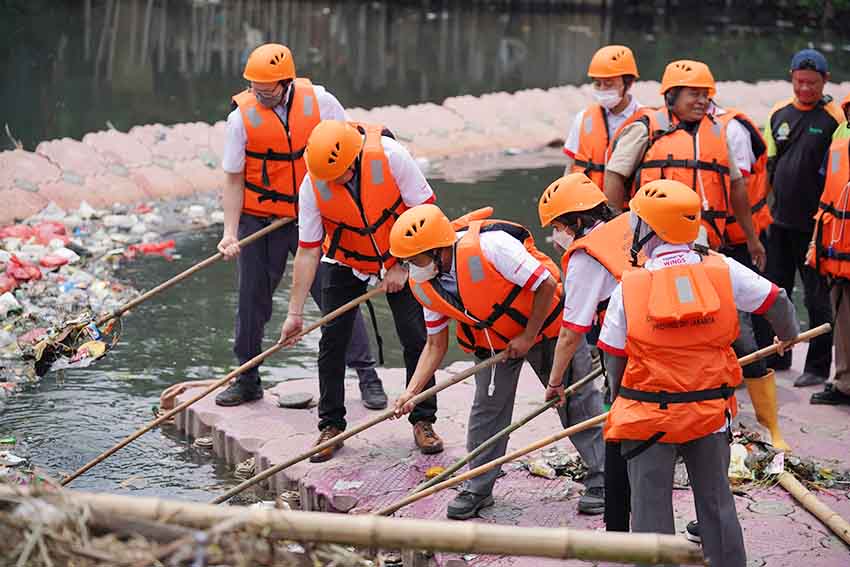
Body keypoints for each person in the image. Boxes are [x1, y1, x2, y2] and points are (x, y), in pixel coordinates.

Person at [599, 179, 799, 567]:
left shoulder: (631, 286)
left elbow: (613, 357)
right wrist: (787, 337)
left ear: (651, 229)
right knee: (716, 502)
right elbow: (778, 300)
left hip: (648, 417)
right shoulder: (722, 268)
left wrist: (617, 398)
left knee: (650, 509)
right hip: (709, 413)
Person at [389, 203, 605, 520]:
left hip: (543, 327)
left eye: (416, 259)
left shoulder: (492, 247)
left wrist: (529, 336)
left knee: (574, 399)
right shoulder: (424, 283)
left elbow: (545, 283)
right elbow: (435, 344)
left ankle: (603, 478)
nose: (412, 267)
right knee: (486, 411)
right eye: (406, 261)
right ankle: (478, 487)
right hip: (494, 342)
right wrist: (412, 392)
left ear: (438, 249)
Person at [217, 43, 386, 409]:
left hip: (313, 213)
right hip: (260, 218)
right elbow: (233, 180)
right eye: (254, 89)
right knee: (251, 302)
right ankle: (247, 378)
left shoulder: (322, 102)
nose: (259, 96)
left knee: (335, 294)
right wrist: (230, 233)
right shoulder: (240, 118)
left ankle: (367, 374)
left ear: (286, 82)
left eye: (267, 90)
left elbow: (346, 150)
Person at [279, 120, 443, 462]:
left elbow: (427, 213)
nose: (331, 183)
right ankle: (331, 426)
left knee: (415, 336)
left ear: (353, 159)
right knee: (332, 340)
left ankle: (423, 419)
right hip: (345, 258)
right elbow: (308, 250)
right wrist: (294, 314)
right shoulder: (313, 183)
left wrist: (400, 263)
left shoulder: (391, 157)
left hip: (402, 253)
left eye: (337, 176)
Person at [537, 173, 634, 531]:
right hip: (659, 329)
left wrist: (555, 381)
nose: (557, 236)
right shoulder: (629, 225)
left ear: (577, 222)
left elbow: (570, 332)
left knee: (622, 413)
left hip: (626, 341)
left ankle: (614, 491)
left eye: (559, 227)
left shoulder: (583, 260)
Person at [603, 60, 766, 271]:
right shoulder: (645, 129)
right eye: (694, 94)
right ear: (671, 96)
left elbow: (736, 186)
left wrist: (752, 239)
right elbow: (614, 175)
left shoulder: (717, 132)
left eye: (705, 95)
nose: (702, 101)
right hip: (655, 246)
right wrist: (614, 232)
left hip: (705, 245)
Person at [754, 49, 843, 387]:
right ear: (791, 76)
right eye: (800, 82)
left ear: (826, 81)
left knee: (816, 296)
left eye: (813, 83)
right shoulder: (778, 114)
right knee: (775, 291)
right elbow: (767, 167)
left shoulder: (835, 118)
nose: (805, 89)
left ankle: (818, 366)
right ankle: (779, 355)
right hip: (777, 222)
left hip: (816, 225)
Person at [710, 102, 790, 452]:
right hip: (675, 255)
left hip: (721, 247)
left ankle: (770, 426)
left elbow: (738, 187)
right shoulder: (658, 132)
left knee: (742, 336)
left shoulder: (728, 131)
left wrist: (753, 239)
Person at [807, 91, 850, 406]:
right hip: (838, 255)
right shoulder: (837, 150)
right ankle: (844, 383)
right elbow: (826, 201)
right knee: (843, 323)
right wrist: (816, 246)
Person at [563, 45, 642, 186]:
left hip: (629, 205)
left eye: (609, 84)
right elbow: (570, 167)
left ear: (628, 84)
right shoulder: (583, 118)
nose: (602, 89)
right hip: (587, 202)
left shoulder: (647, 121)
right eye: (598, 84)